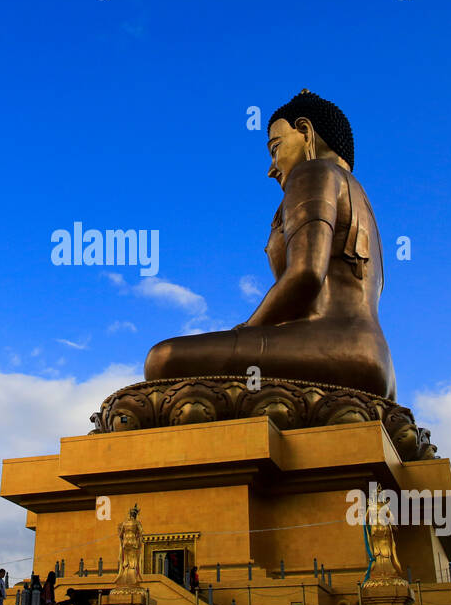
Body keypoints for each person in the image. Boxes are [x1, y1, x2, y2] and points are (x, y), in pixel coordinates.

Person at [145, 91, 395, 400]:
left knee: (163, 358)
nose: (271, 167)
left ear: (305, 131)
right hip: (376, 359)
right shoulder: (360, 196)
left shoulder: (313, 172)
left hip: (332, 346)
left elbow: (305, 275)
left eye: (275, 148)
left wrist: (245, 332)